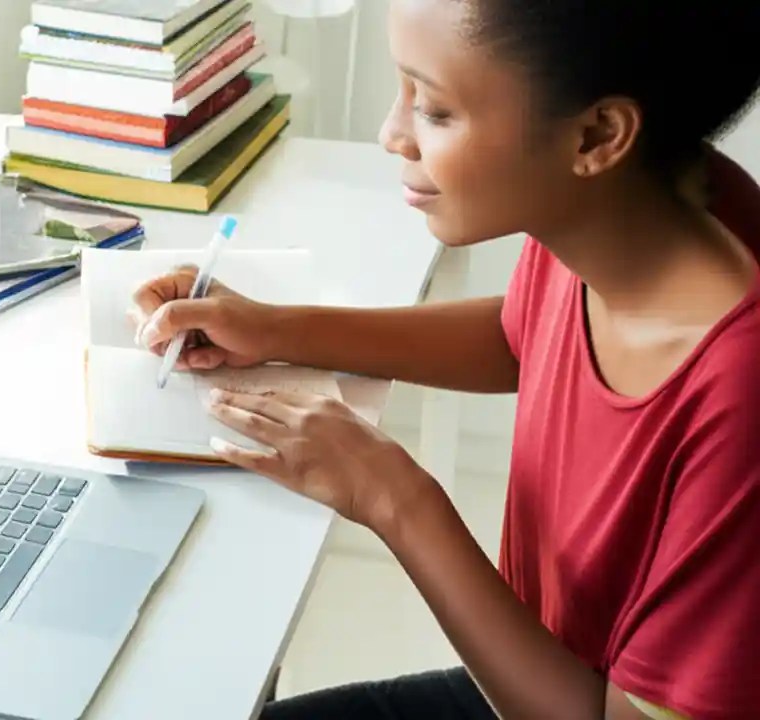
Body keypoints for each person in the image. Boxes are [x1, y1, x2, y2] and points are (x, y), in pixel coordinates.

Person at [129, 1, 760, 718]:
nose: (391, 134)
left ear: (596, 134)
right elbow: (523, 337)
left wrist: (394, 498)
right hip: (547, 671)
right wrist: (275, 329)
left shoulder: (741, 401)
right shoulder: (642, 204)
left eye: (432, 108)